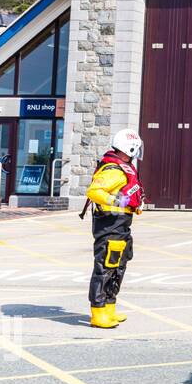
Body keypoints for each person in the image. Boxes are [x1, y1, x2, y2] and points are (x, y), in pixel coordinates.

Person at [84, 129, 145, 328]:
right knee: (105, 267)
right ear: (130, 148)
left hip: (121, 224)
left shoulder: (124, 168)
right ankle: (98, 312)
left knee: (118, 266)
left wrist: (134, 205)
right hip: (109, 224)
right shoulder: (113, 170)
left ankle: (110, 308)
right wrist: (115, 201)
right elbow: (94, 191)